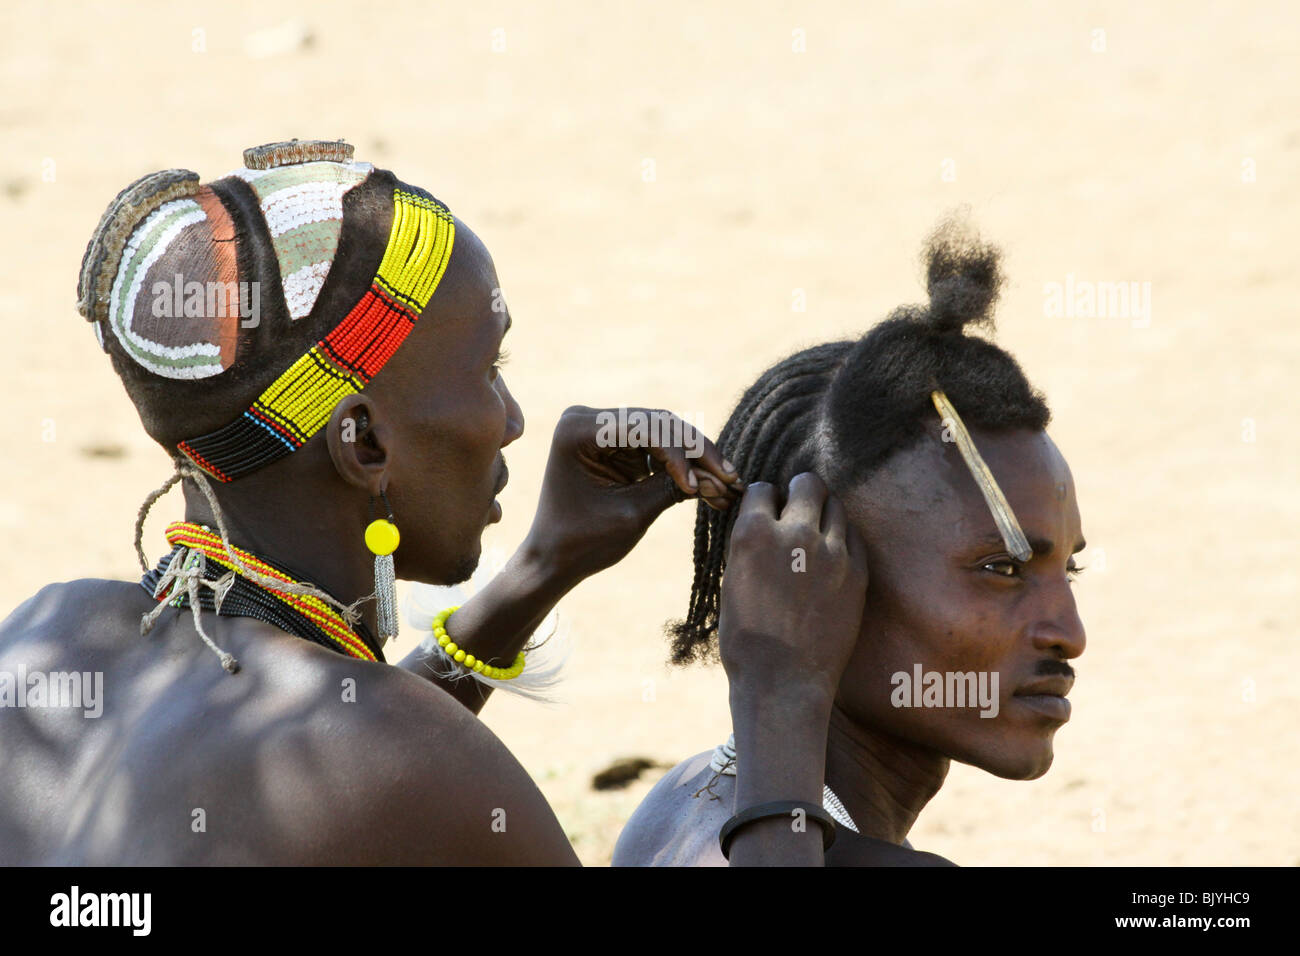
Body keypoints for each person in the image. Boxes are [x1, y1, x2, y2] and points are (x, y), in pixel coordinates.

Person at [0, 140, 863, 865]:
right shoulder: (407, 760)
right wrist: (780, 701)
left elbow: (334, 773)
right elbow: (370, 762)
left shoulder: (44, 642)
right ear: (365, 444)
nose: (515, 422)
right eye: (491, 370)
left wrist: (541, 566)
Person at [614, 217, 1088, 866]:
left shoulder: (680, 802)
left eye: (1071, 569)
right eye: (1001, 567)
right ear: (812, 586)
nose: (1069, 632)